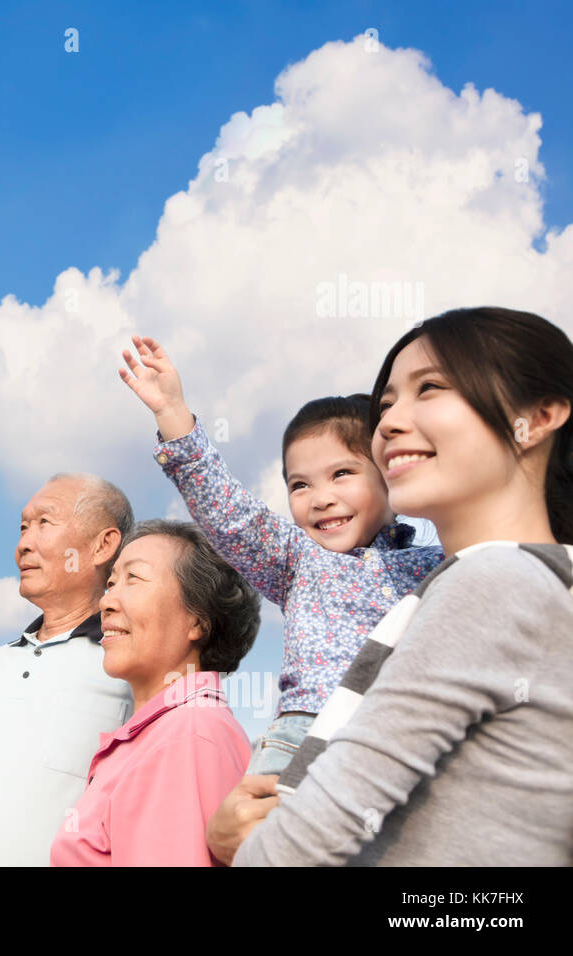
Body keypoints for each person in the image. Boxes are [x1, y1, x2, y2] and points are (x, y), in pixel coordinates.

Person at [206, 307, 573, 866]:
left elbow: (309, 843)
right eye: (386, 405)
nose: (391, 423)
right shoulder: (538, 583)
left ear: (540, 413)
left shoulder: (491, 582)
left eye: (430, 388)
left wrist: (243, 846)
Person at [119, 335, 442, 773]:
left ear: (390, 472)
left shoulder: (436, 565)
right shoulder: (297, 561)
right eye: (300, 485)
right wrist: (173, 414)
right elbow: (229, 511)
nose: (320, 498)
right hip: (301, 741)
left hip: (400, 745)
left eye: (342, 473)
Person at [0, 474, 135, 866]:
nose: (23, 543)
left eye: (45, 523)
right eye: (23, 527)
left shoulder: (128, 668)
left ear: (103, 545)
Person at [51, 521, 260, 866]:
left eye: (135, 579)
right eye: (111, 582)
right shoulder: (161, 734)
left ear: (198, 620)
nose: (107, 601)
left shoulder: (188, 733)